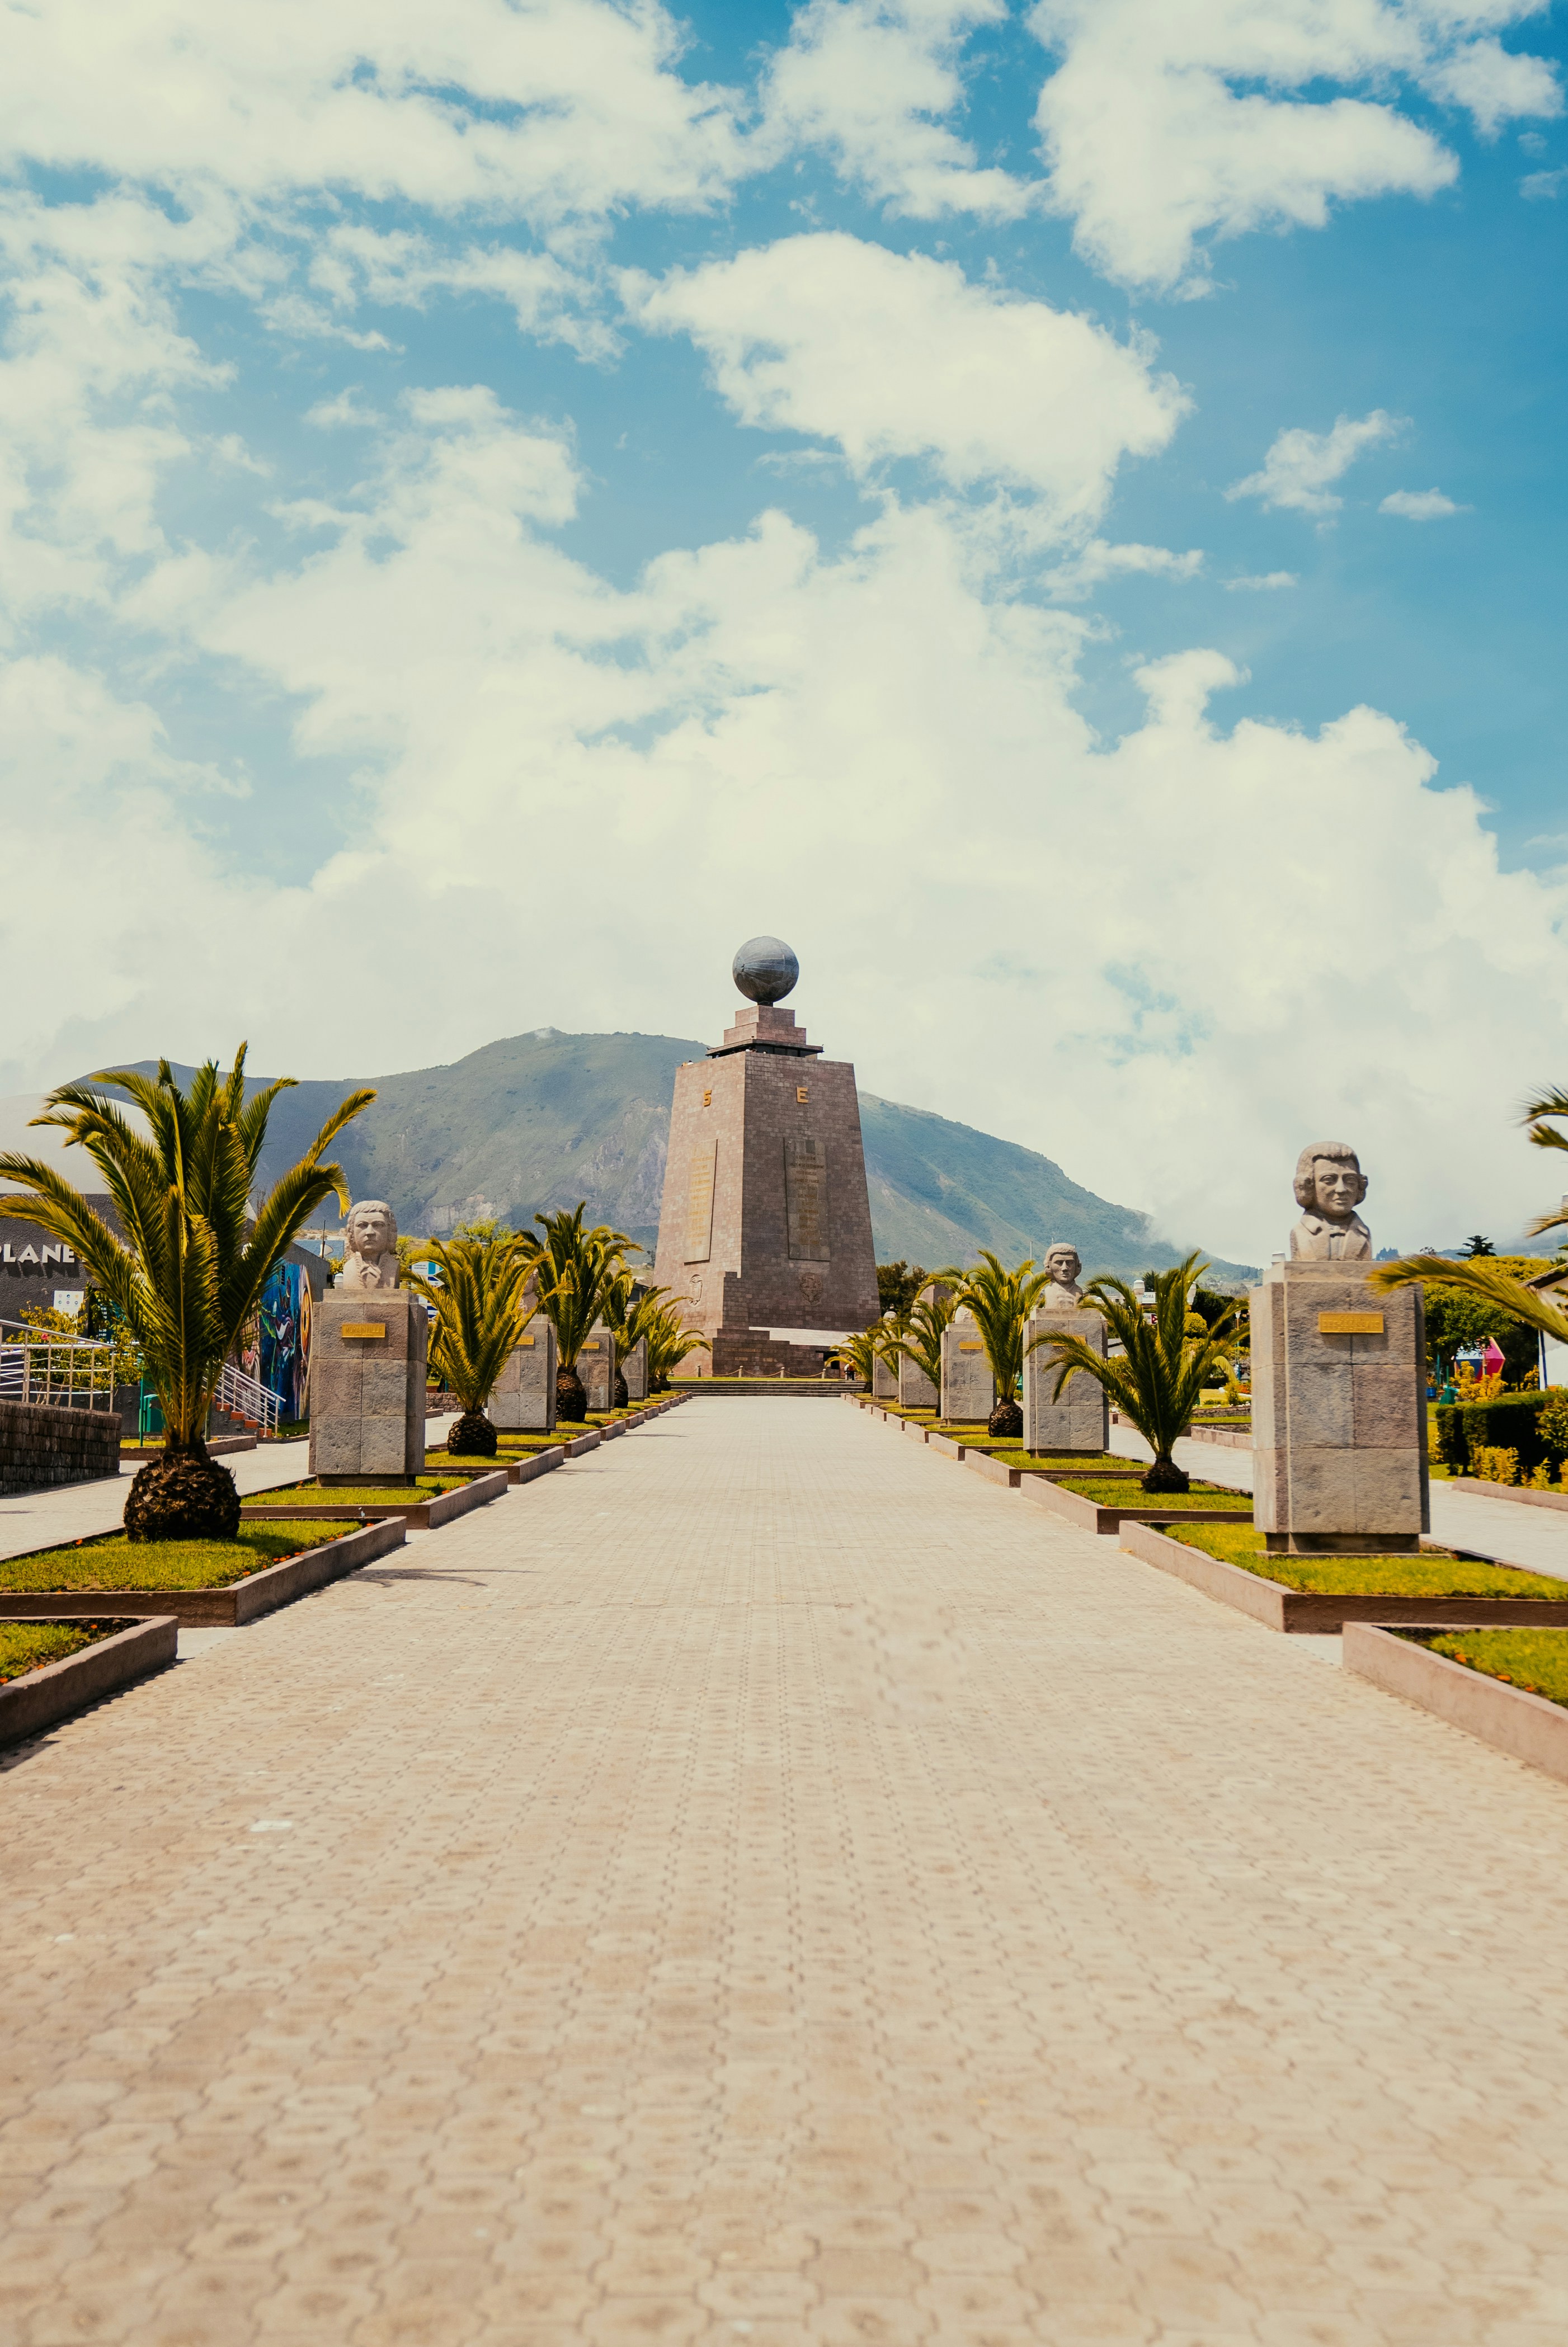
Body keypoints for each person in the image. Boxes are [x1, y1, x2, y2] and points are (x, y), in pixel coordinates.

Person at [1288, 1144, 1371, 1260]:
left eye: (1350, 1180)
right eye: (1329, 1180)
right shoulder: (1301, 1232)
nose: (1341, 1189)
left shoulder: (1363, 1233)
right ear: (1308, 1185)